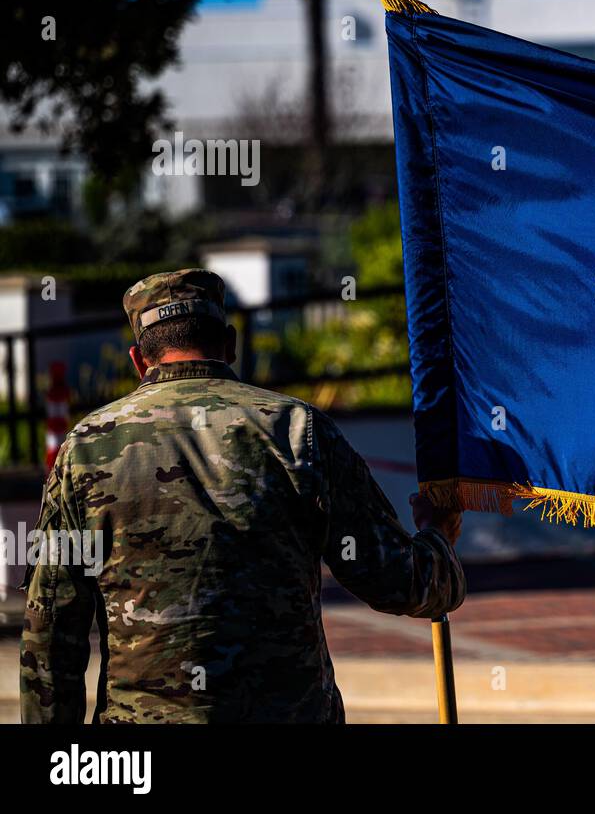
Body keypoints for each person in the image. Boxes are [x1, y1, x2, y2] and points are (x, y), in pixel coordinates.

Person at [19, 268, 464, 723]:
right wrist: (438, 538)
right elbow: (403, 583)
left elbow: (50, 634)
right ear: (230, 344)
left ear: (139, 360)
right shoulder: (298, 431)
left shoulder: (87, 448)